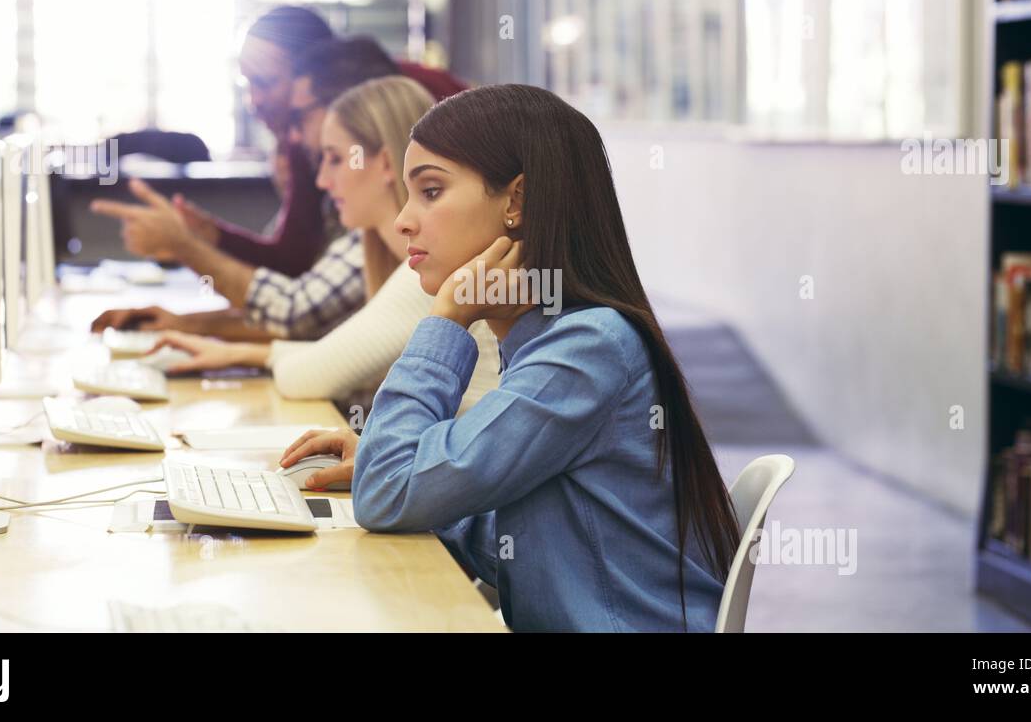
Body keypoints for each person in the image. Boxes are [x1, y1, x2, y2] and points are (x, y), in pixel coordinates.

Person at [276, 84, 742, 632]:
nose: (404, 221)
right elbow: (516, 542)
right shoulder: (551, 340)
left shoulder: (587, 351)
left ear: (516, 202)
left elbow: (386, 497)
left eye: (430, 191)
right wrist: (403, 465)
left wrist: (446, 323)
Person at [144, 76, 500, 432]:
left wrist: (187, 247)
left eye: (334, 159)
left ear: (385, 165)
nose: (321, 181)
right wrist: (243, 354)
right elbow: (330, 355)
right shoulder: (384, 253)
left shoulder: (428, 273)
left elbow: (305, 367)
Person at [89, 6, 468, 282]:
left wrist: (190, 246)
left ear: (313, 78)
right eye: (247, 84)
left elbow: (295, 282)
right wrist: (208, 236)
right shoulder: (306, 136)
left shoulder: (403, 110)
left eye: (266, 83)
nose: (255, 101)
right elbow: (297, 261)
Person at [91, 38, 400, 341]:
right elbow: (312, 321)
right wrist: (188, 323)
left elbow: (295, 314)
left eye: (335, 158)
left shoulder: (379, 231)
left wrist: (185, 246)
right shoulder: (354, 217)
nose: (293, 137)